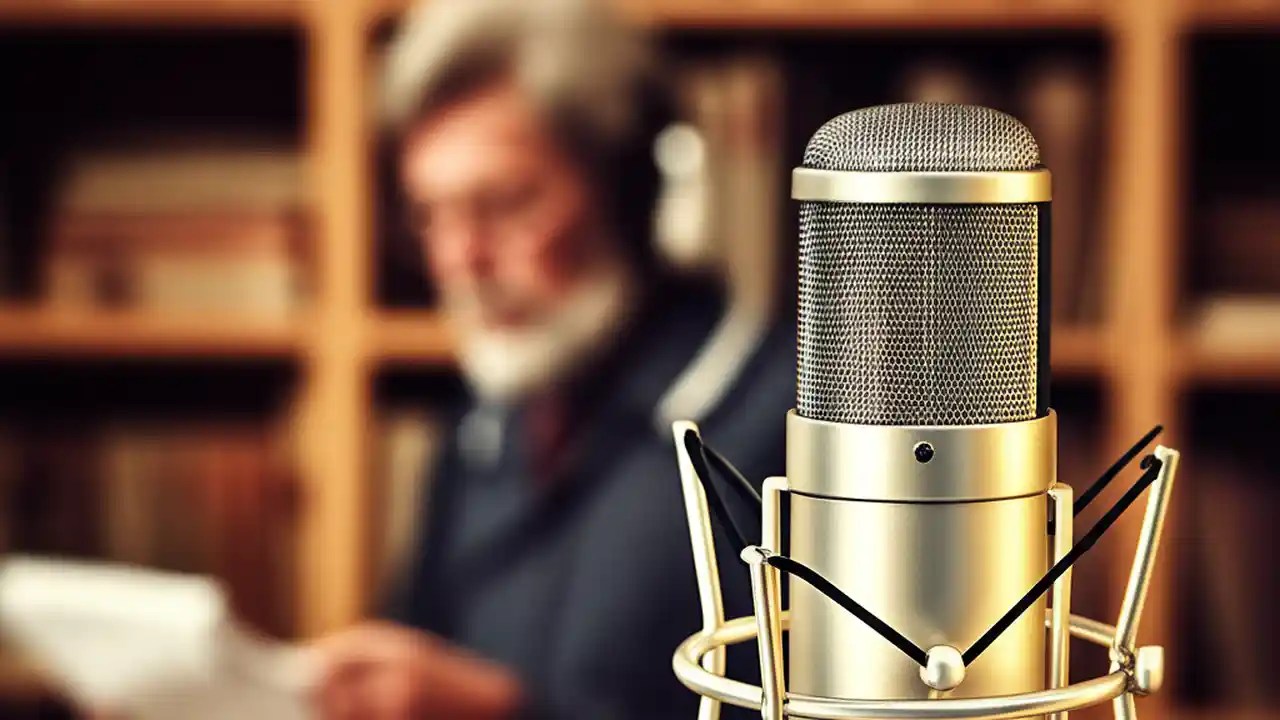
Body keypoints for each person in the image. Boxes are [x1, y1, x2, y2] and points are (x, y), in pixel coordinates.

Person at [314, 0, 794, 718]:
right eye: (430, 214)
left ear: (632, 192)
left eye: (504, 203)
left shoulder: (793, 422)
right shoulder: (481, 433)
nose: (459, 260)